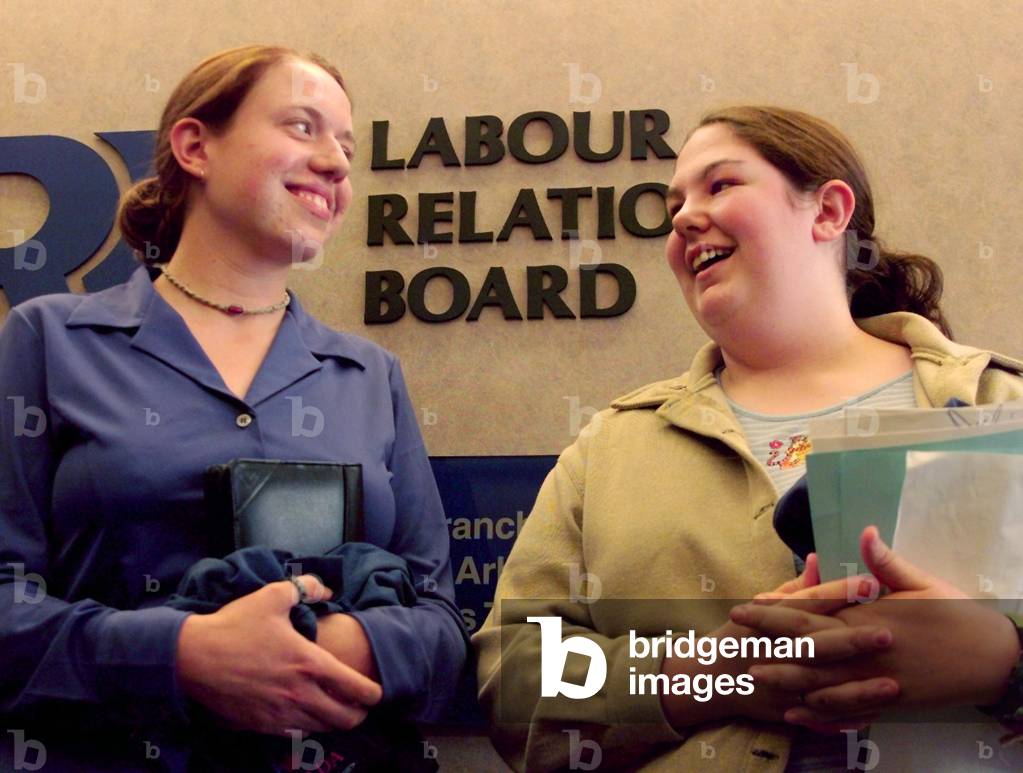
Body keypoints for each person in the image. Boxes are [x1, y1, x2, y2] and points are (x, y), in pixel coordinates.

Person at [473, 106, 1023, 771]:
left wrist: (1003, 662)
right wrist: (697, 674)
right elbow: (514, 676)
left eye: (720, 185)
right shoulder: (609, 447)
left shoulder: (1001, 404)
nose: (680, 218)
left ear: (826, 212)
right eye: (673, 204)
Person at [0, 45, 465, 770]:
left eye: (346, 147)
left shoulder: (370, 374)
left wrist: (335, 643)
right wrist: (179, 654)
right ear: (195, 146)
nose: (338, 164)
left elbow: (442, 626)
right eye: (303, 128)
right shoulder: (48, 340)